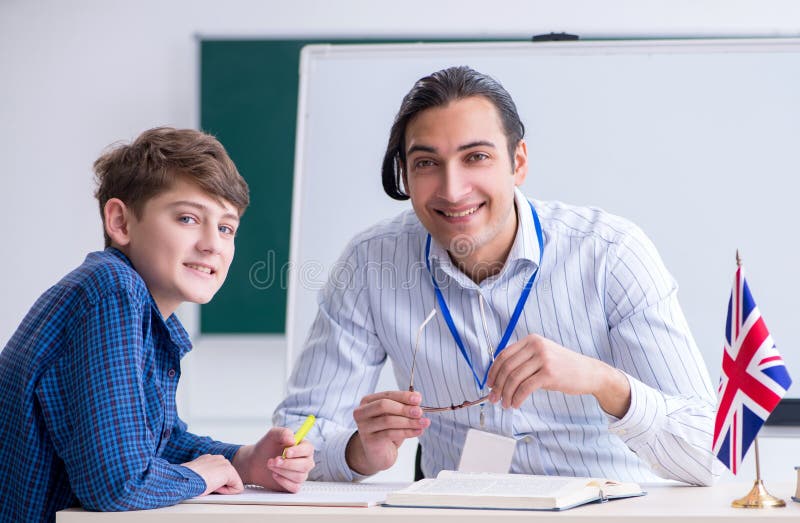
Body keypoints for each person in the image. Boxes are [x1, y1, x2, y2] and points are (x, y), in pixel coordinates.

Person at [274, 66, 717, 486]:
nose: (452, 189)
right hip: (458, 511)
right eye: (427, 163)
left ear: (517, 162)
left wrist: (604, 381)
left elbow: (707, 453)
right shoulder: (371, 262)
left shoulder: (611, 254)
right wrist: (358, 451)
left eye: (476, 157)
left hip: (605, 506)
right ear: (405, 175)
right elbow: (295, 438)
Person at [0, 128, 314, 522]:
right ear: (120, 222)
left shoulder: (143, 314)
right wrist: (196, 477)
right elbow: (118, 484)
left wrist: (245, 460)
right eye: (187, 218)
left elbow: (157, 443)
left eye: (226, 228)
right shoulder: (112, 290)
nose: (212, 244)